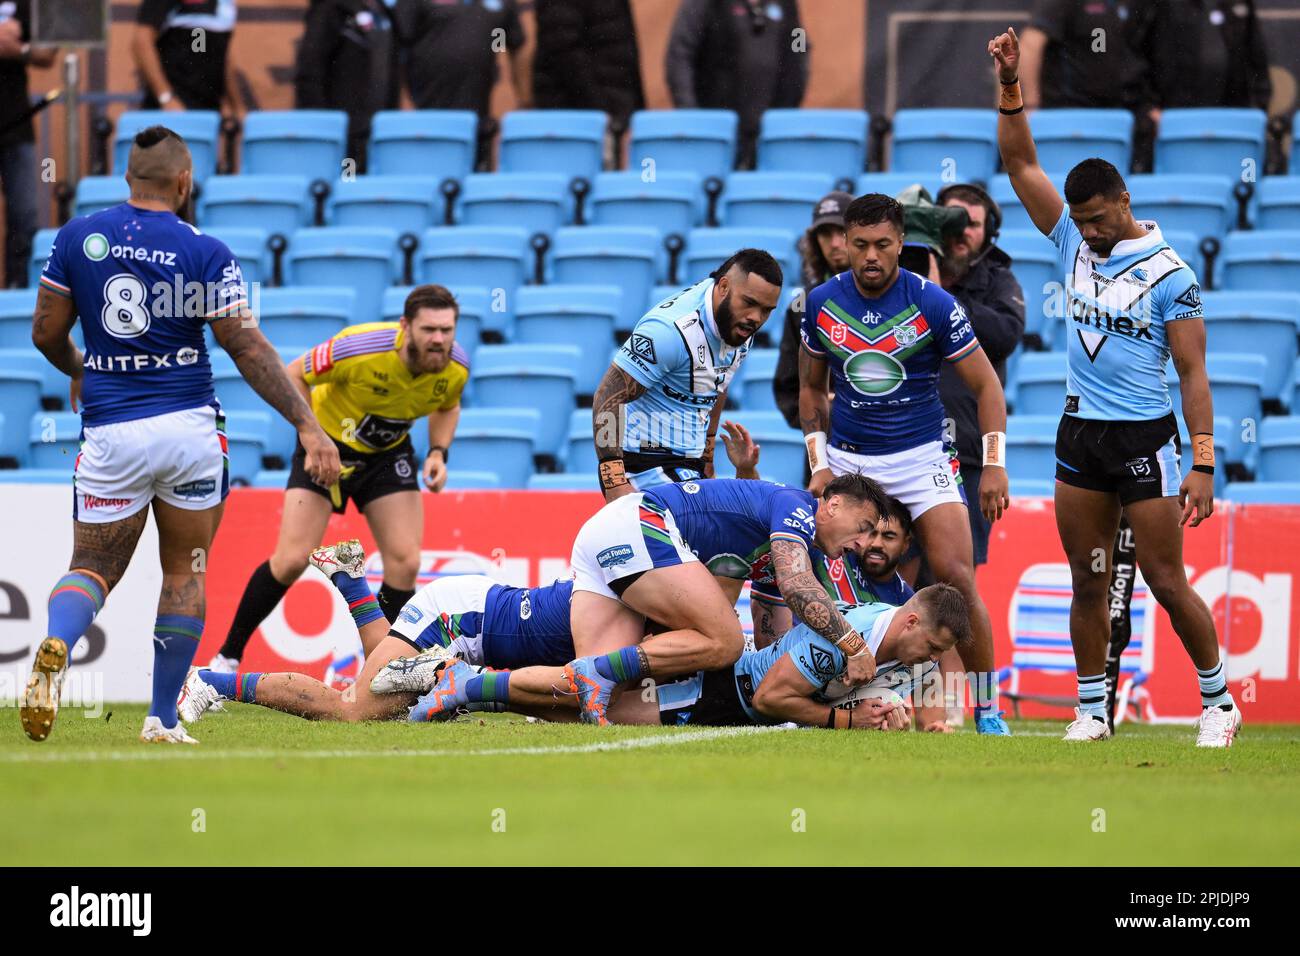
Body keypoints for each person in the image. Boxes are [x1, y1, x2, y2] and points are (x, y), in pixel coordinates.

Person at [20, 125, 340, 744]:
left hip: (112, 430)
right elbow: (245, 347)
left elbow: (42, 332)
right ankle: (162, 717)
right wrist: (307, 423)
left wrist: (84, 368)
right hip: (189, 430)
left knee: (91, 564)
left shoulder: (78, 237)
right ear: (185, 182)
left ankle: (59, 640)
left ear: (128, 179)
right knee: (185, 573)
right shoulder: (205, 251)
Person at [990, 26, 1240, 747]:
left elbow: (1193, 373)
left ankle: (1218, 701)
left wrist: (1201, 460)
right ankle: (1092, 710)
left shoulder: (1172, 278)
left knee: (1163, 578)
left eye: (1098, 221)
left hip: (1145, 438)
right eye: (1082, 224)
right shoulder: (1069, 236)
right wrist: (1010, 83)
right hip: (1081, 434)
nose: (1088, 234)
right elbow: (1018, 163)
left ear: (1123, 202)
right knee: (1088, 578)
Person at [417, 475, 890, 725]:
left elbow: (772, 635)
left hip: (609, 535)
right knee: (724, 640)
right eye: (864, 527)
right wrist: (852, 645)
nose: (866, 543)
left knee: (598, 700)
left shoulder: (785, 542)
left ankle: (467, 687)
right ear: (830, 503)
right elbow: (798, 587)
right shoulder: (796, 507)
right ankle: (596, 673)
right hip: (637, 524)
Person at [798, 193, 1013, 735]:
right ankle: (805, 693)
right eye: (861, 244)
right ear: (845, 244)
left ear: (901, 245)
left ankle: (987, 710)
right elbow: (809, 388)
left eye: (884, 245)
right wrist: (819, 462)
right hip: (851, 463)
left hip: (921, 459)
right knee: (825, 580)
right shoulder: (821, 302)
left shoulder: (933, 302)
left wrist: (993, 464)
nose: (871, 256)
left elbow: (987, 384)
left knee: (959, 580)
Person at [209, 285, 468, 671]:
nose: (439, 340)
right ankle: (227, 657)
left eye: (447, 330)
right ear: (405, 326)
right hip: (324, 449)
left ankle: (384, 668)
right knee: (293, 558)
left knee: (405, 561)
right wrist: (312, 437)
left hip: (386, 457)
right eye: (429, 329)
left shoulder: (455, 366)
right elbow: (293, 375)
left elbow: (448, 406)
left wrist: (437, 452)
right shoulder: (359, 348)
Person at [180, 539, 577, 723]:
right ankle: (210, 681)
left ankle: (352, 582)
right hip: (457, 618)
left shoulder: (619, 586)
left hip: (469, 613)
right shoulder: (619, 591)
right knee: (352, 710)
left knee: (390, 684)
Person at [594, 249, 781, 499]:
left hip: (687, 464)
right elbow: (607, 395)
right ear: (723, 287)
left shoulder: (738, 325)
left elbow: (718, 383)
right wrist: (615, 482)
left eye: (767, 310)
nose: (756, 317)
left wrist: (707, 456)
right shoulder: (669, 331)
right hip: (644, 464)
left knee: (757, 507)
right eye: (749, 303)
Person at [935, 183, 1025, 570]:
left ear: (988, 232)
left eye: (973, 223)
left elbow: (1005, 335)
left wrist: (941, 299)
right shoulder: (905, 272)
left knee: (957, 574)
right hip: (902, 447)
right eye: (953, 220)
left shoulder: (999, 281)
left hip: (967, 452)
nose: (963, 231)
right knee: (891, 569)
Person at [750, 495, 916, 647]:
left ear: (906, 544)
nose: (876, 544)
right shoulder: (829, 550)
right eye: (870, 533)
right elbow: (761, 521)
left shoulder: (907, 604)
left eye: (889, 536)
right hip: (790, 657)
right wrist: (746, 469)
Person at [665, 0, 808, 169]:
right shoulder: (703, 4)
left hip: (768, 133)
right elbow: (679, 56)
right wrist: (692, 118)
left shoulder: (786, 5)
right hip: (716, 134)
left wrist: (788, 110)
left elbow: (799, 48)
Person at [774, 191, 852, 431]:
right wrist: (820, 415)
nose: (835, 243)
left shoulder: (892, 296)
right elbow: (787, 387)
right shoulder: (803, 305)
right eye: (825, 234)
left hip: (887, 445)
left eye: (841, 232)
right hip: (824, 446)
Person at [294, 0, 399, 173]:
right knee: (347, 185)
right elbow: (309, 72)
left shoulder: (385, 12)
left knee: (374, 194)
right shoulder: (331, 9)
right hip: (344, 138)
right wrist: (322, 129)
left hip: (378, 133)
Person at [394, 0, 529, 133]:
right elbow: (399, 44)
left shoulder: (502, 5)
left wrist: (524, 100)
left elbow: (503, 37)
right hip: (425, 120)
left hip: (480, 120)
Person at [0, 1, 56, 288]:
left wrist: (18, 49)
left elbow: (47, 52)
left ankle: (18, 295)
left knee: (25, 217)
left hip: (16, 120)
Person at [531, 0, 644, 135]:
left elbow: (622, 51)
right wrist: (601, 111)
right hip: (577, 119)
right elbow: (565, 52)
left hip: (614, 110)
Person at [133, 0, 242, 115]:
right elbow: (141, 42)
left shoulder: (226, 3)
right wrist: (166, 98)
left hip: (208, 110)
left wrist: (237, 107)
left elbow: (223, 56)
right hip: (170, 111)